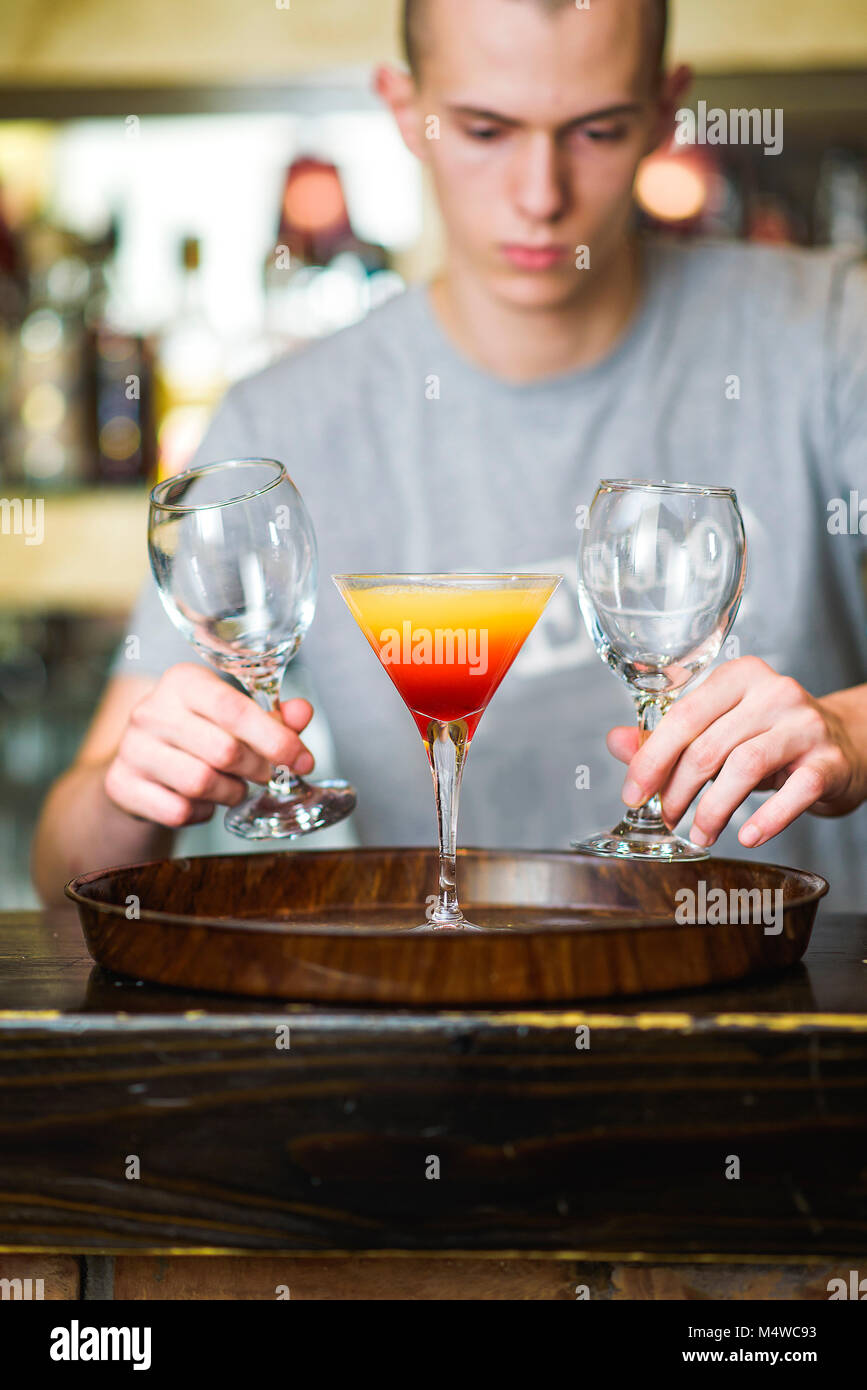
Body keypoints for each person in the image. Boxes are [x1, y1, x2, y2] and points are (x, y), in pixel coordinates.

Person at [33, 0, 867, 908]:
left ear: (665, 114)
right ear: (404, 110)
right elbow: (62, 874)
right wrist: (138, 792)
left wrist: (848, 733)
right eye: (484, 129)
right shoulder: (281, 427)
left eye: (595, 128)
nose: (538, 194)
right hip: (443, 1030)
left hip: (798, 1023)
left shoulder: (828, 333)